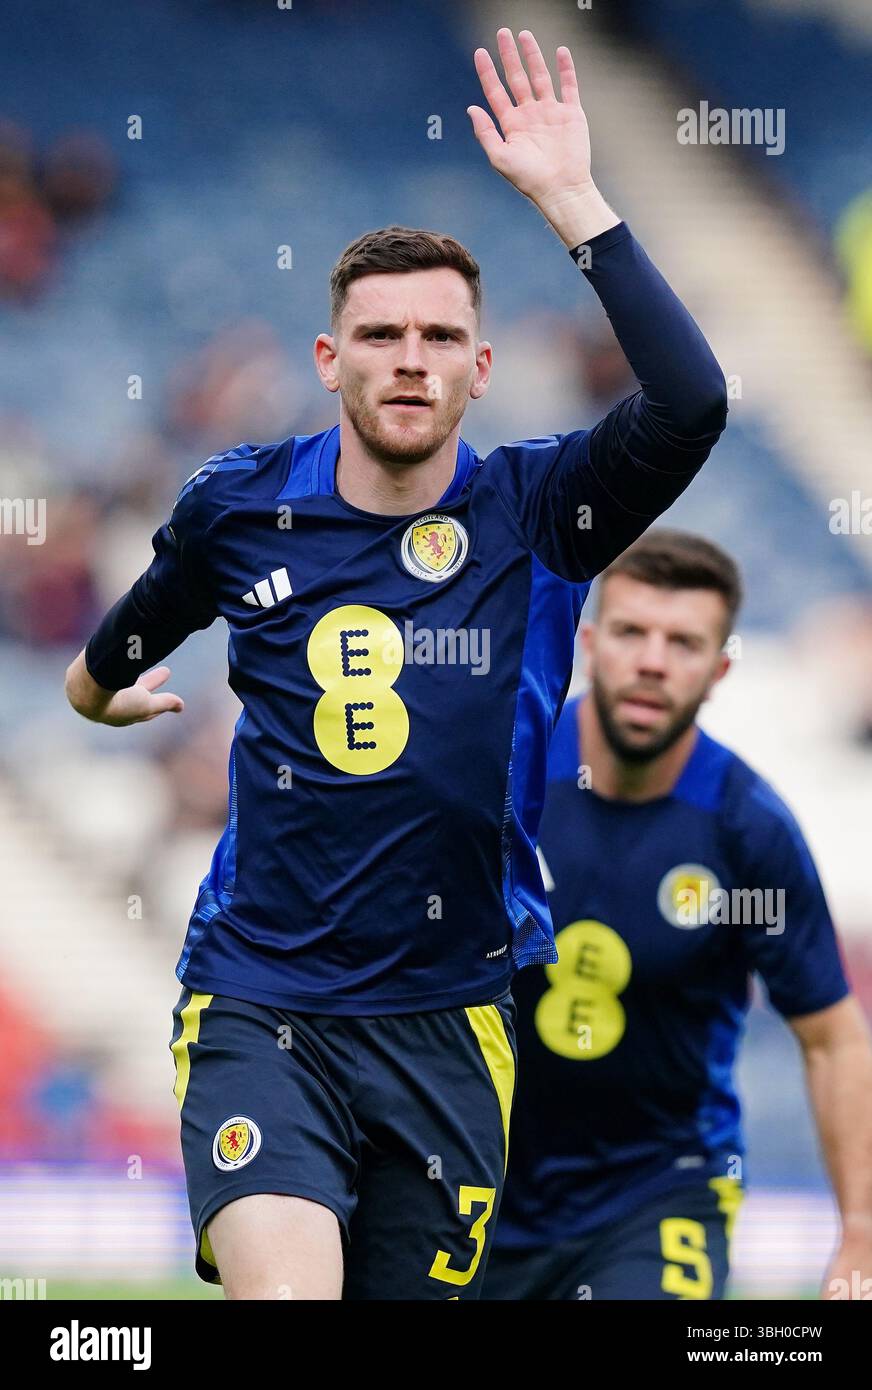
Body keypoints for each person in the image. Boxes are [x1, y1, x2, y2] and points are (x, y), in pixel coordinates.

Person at [63, 30, 727, 1299]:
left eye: (437, 335)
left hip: (453, 1014)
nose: (407, 357)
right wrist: (97, 699)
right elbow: (122, 643)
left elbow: (689, 401)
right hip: (265, 1001)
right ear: (331, 362)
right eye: (378, 334)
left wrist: (570, 201)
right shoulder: (236, 509)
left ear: (480, 369)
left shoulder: (540, 514)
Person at [484, 530, 872, 1300]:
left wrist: (860, 1231)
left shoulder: (747, 831)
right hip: (472, 1185)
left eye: (684, 642)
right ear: (589, 644)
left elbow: (832, 1038)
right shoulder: (496, 780)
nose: (653, 661)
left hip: (658, 1195)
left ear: (720, 668)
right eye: (632, 632)